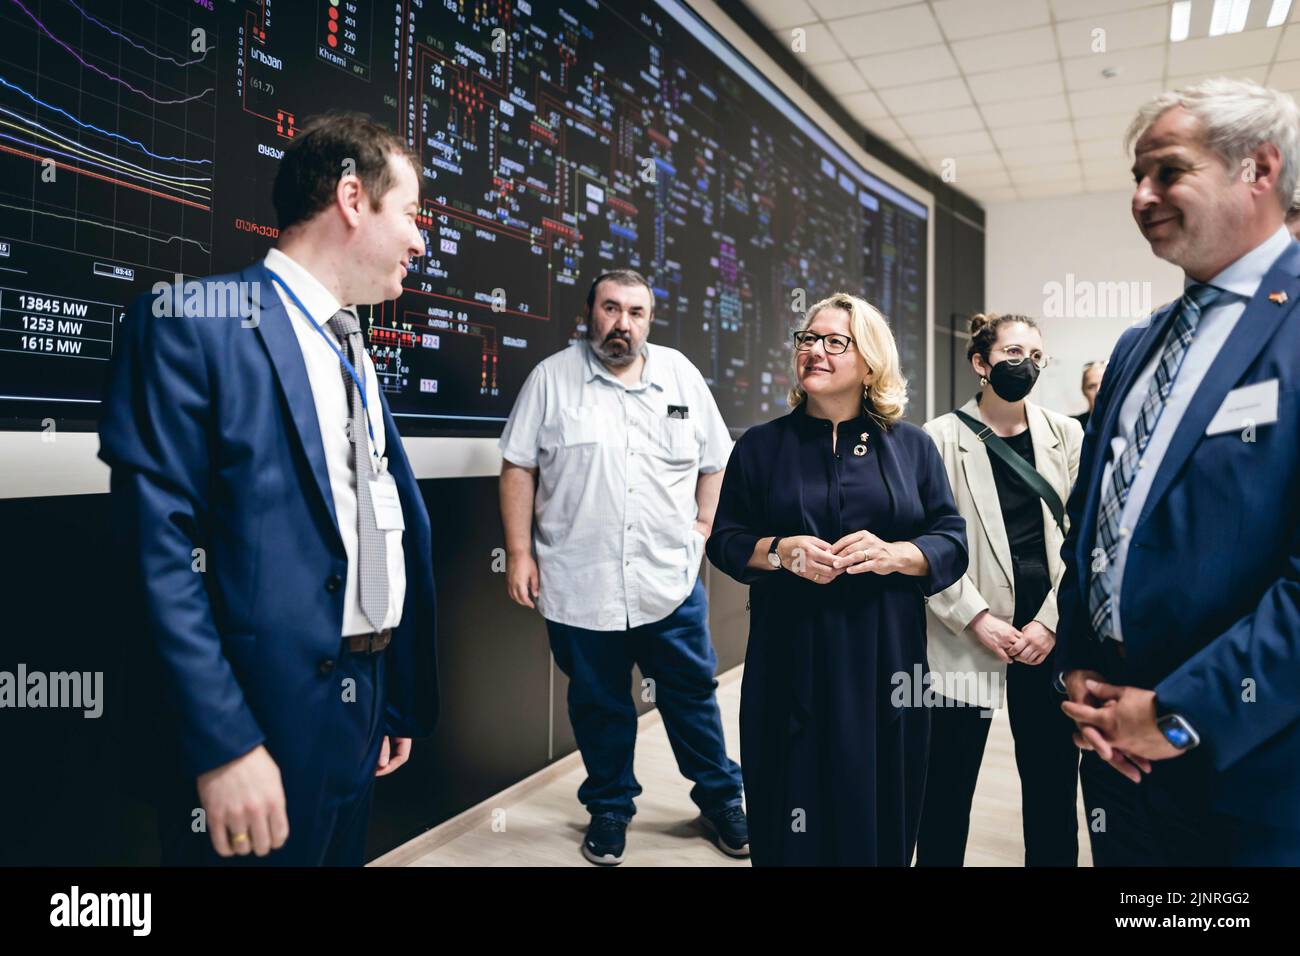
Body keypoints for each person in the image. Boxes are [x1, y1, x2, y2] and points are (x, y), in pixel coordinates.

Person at [99, 113, 439, 866]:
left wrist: (391, 688)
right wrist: (224, 745)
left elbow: (371, 516)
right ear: (353, 198)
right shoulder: (189, 323)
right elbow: (157, 556)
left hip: (361, 698)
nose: (421, 242)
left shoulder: (350, 341)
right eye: (412, 214)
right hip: (256, 723)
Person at [1055, 77, 1300, 865]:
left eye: (1166, 171)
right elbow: (1094, 524)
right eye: (1136, 176)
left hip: (1247, 762)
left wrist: (1179, 712)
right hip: (1117, 755)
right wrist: (1080, 664)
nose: (1141, 196)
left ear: (1257, 170)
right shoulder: (1139, 344)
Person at [706, 292, 967, 866]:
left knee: (878, 799)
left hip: (886, 658)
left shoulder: (913, 447)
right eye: (807, 339)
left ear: (870, 362)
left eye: (834, 342)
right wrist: (779, 551)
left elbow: (952, 540)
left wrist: (898, 554)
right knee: (787, 793)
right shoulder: (760, 446)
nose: (814, 351)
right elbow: (725, 541)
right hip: (787, 654)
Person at [498, 269, 747, 865]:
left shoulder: (681, 374)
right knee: (598, 702)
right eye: (611, 309)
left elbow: (716, 460)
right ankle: (609, 808)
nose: (622, 324)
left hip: (669, 579)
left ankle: (721, 800)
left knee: (691, 696)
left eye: (636, 312)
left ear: (649, 320)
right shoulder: (551, 380)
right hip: (578, 582)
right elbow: (517, 466)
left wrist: (703, 530)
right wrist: (520, 552)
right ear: (590, 313)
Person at [916, 313, 1083, 867]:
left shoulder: (1066, 434)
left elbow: (1084, 538)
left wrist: (1051, 622)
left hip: (1046, 637)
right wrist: (974, 617)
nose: (1026, 365)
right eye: (1013, 354)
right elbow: (925, 545)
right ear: (980, 363)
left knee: (1052, 782)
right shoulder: (937, 439)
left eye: (1036, 356)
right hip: (966, 634)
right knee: (946, 785)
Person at [1074, 360, 1106, 430]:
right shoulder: (1073, 426)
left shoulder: (1124, 424)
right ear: (1083, 391)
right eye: (1092, 386)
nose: (1098, 390)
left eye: (1103, 384)